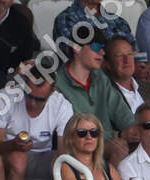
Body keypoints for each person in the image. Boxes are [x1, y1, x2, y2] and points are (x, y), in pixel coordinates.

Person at [53, 30, 137, 163]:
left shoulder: (100, 78)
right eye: (96, 47)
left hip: (105, 143)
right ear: (77, 48)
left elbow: (123, 115)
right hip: (78, 146)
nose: (102, 53)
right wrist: (118, 135)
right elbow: (73, 132)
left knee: (146, 141)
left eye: (103, 49)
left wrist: (138, 130)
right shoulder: (58, 84)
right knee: (119, 147)